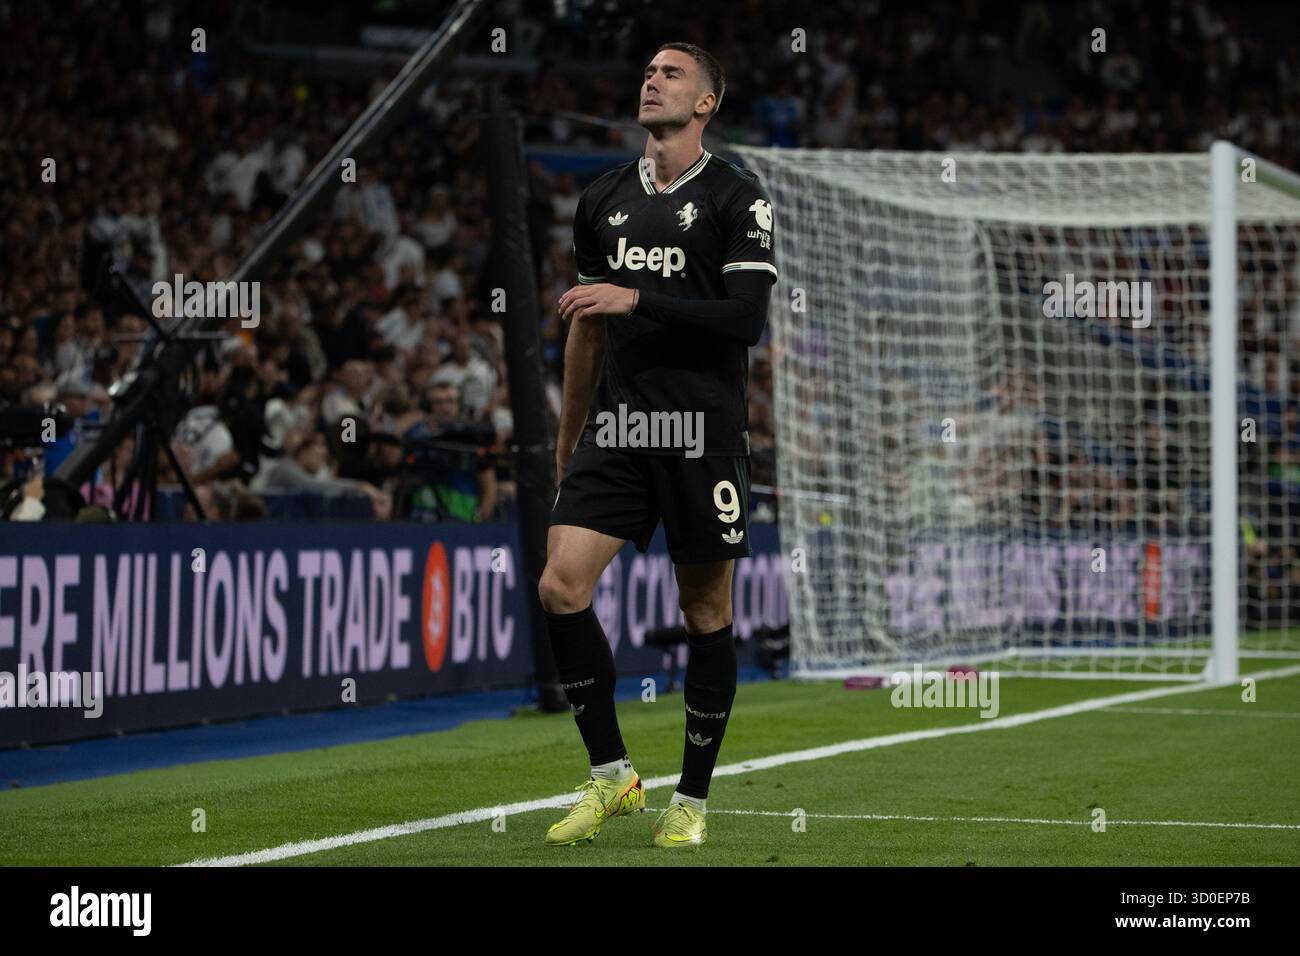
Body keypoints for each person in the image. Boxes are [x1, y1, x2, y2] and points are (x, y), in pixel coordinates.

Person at [540, 42, 777, 848]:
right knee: (560, 586)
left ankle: (693, 801)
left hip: (704, 436)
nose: (652, 80)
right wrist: (568, 442)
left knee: (705, 609)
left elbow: (744, 320)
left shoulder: (737, 200)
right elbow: (585, 327)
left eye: (672, 73)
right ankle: (613, 778)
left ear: (706, 103)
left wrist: (637, 294)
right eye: (648, 71)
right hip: (619, 430)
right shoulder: (600, 199)